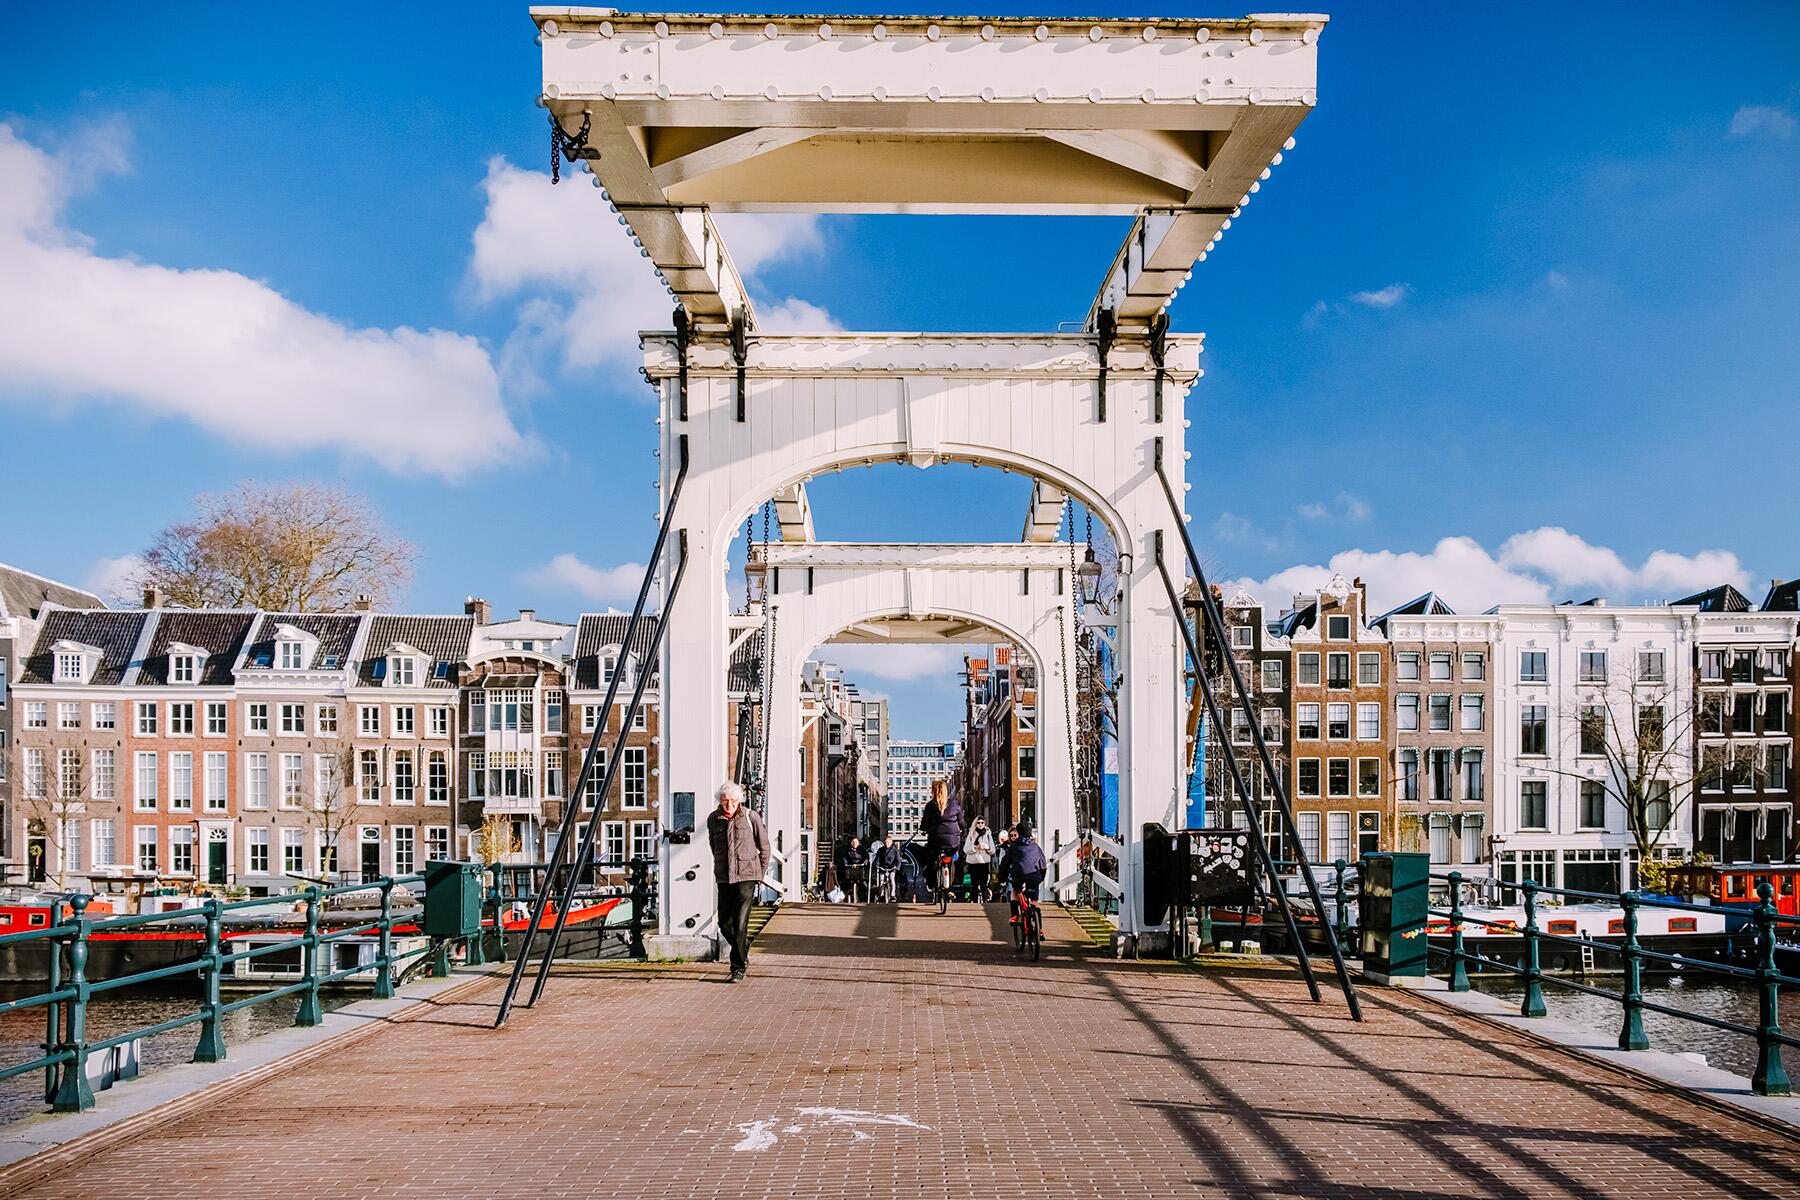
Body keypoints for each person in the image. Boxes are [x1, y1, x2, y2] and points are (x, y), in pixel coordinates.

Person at [707, 780, 771, 982]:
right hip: (725, 876)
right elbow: (714, 846)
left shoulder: (751, 817)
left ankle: (738, 968)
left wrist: (759, 873)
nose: (729, 805)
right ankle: (744, 945)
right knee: (724, 922)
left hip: (746, 875)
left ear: (739, 800)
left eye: (732, 800)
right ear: (720, 801)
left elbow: (765, 847)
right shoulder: (713, 819)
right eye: (725, 801)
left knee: (740, 922)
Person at [1000, 821, 1048, 930]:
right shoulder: (1036, 847)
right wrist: (1041, 877)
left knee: (1015, 892)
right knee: (1035, 902)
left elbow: (1005, 864)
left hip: (1018, 875)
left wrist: (1002, 878)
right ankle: (1040, 930)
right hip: (1034, 876)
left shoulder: (1014, 846)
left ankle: (1015, 916)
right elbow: (1043, 864)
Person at [921, 779, 964, 900]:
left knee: (931, 857)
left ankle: (930, 881)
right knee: (951, 861)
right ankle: (950, 887)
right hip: (953, 842)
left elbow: (924, 823)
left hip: (936, 840)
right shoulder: (955, 804)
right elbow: (962, 822)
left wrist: (923, 829)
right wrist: (960, 829)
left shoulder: (930, 805)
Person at [962, 817, 997, 902]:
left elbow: (993, 850)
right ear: (975, 823)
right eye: (978, 823)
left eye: (982, 823)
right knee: (974, 884)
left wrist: (987, 847)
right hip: (973, 863)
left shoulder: (988, 834)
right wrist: (975, 848)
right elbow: (965, 850)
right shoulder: (971, 834)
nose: (980, 824)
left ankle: (985, 902)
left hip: (984, 862)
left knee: (984, 884)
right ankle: (975, 903)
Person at [871, 837, 903, 902]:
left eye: (888, 842)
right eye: (885, 842)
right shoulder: (880, 850)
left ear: (891, 843)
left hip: (892, 868)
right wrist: (877, 866)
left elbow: (898, 860)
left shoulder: (895, 850)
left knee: (892, 879)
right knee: (881, 881)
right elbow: (877, 859)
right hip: (882, 868)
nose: (886, 843)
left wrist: (897, 867)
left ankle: (892, 895)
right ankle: (881, 895)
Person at [839, 837, 869, 902]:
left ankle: (863, 897)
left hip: (860, 867)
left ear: (858, 843)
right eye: (853, 842)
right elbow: (844, 858)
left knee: (863, 883)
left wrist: (864, 863)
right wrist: (846, 864)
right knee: (846, 882)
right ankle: (846, 895)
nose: (854, 843)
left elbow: (866, 857)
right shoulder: (847, 849)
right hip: (850, 867)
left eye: (856, 842)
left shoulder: (862, 849)